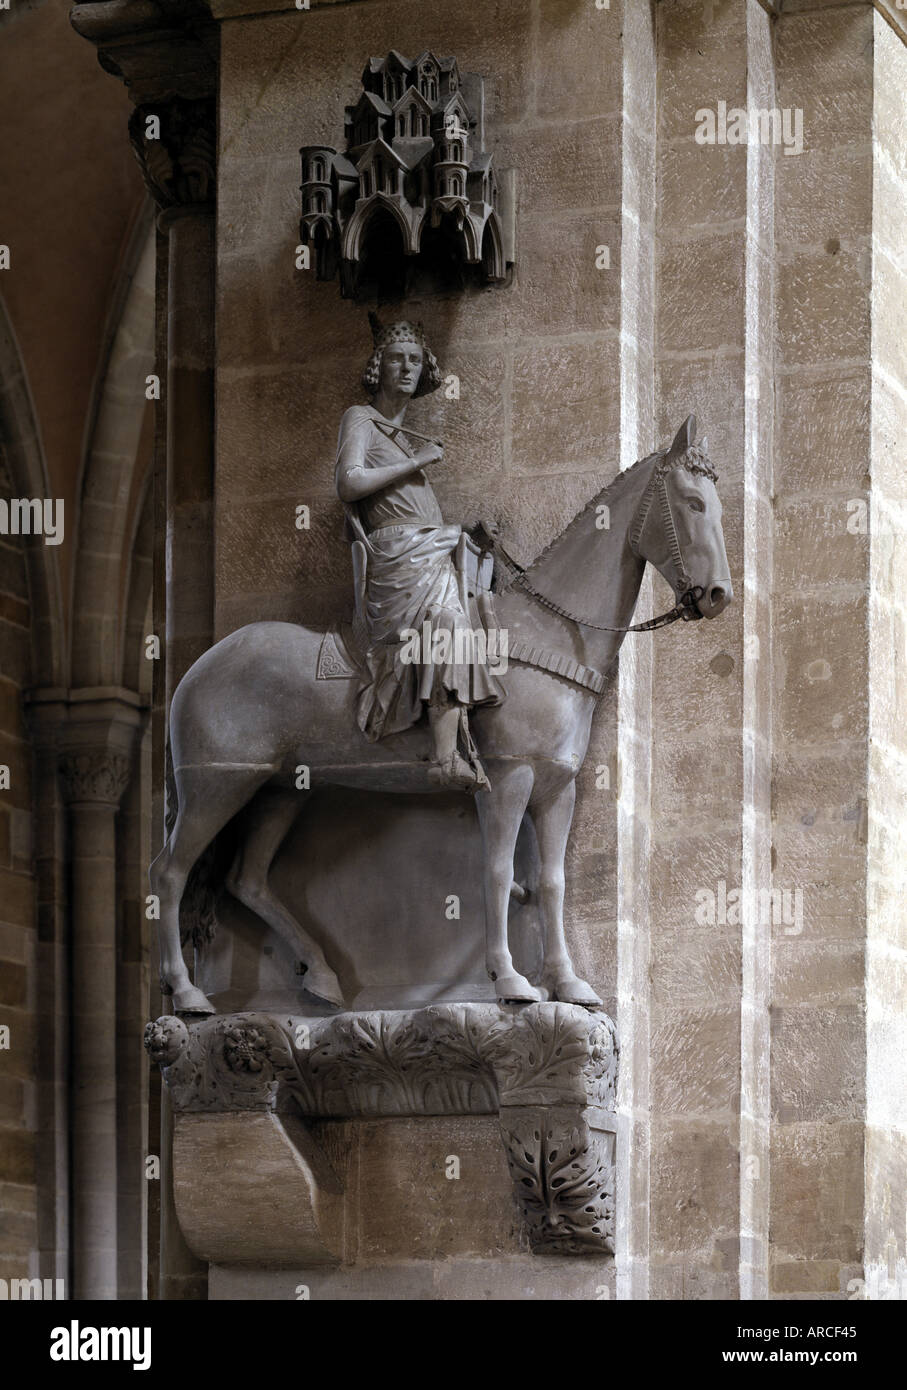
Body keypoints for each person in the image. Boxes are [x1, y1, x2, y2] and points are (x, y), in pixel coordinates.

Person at [334, 316, 502, 791]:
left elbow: (415, 510)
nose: (406, 368)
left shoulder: (404, 436)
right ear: (377, 368)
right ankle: (444, 760)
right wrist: (416, 462)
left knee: (472, 617)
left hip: (428, 549)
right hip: (396, 559)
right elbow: (348, 483)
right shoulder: (361, 419)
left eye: (414, 360)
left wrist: (468, 534)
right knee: (449, 626)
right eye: (396, 359)